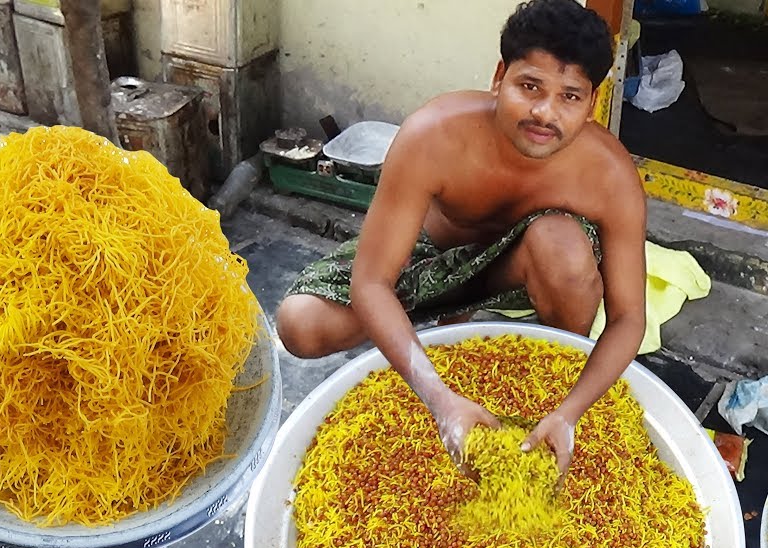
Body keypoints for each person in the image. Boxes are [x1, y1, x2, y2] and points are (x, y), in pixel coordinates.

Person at [275, 0, 647, 478]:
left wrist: (570, 411)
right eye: (529, 86)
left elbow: (629, 317)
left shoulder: (610, 176)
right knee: (299, 325)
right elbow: (371, 282)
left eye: (569, 96)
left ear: (591, 104)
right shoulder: (433, 135)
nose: (544, 112)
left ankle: (546, 394)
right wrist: (439, 398)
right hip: (432, 263)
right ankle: (452, 319)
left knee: (565, 249)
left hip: (521, 268)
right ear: (499, 77)